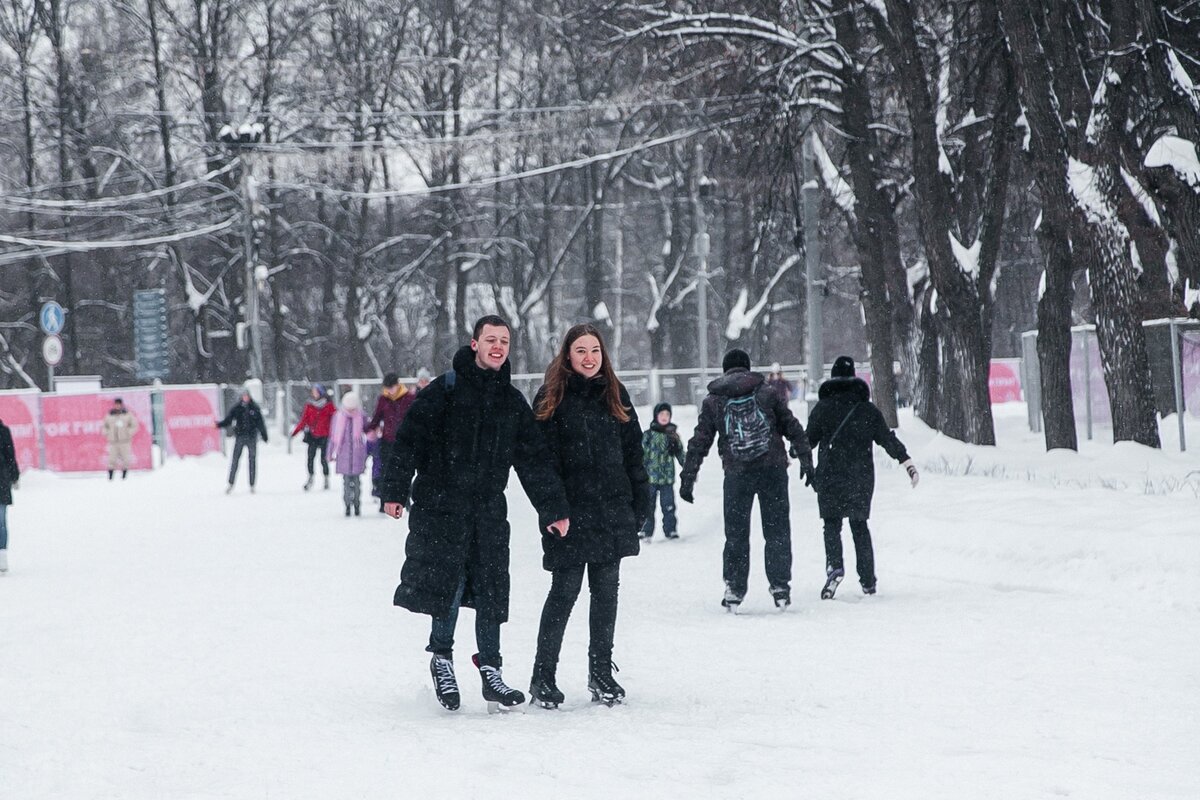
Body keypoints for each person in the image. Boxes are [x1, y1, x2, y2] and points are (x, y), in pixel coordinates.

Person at [380, 315, 570, 713]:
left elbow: (532, 461)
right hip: (441, 507)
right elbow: (408, 441)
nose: (498, 347)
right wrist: (394, 491)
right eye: (491, 340)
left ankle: (491, 670)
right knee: (445, 586)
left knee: (489, 590)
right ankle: (442, 660)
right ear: (474, 344)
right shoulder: (443, 392)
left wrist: (553, 508)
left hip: (487, 510)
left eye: (504, 341)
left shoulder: (511, 401)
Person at [529, 323, 650, 708]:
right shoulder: (550, 397)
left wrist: (639, 505)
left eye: (594, 350)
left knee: (606, 593)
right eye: (581, 350)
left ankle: (600, 674)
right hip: (568, 514)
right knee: (564, 593)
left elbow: (634, 454)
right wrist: (553, 509)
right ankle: (542, 677)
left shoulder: (615, 393)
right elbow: (540, 464)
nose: (589, 358)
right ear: (567, 355)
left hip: (611, 510)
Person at [680, 348, 815, 612]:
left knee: (736, 534)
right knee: (776, 530)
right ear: (748, 366)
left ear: (725, 370)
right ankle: (780, 587)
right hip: (773, 469)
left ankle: (734, 588)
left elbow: (700, 441)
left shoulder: (714, 401)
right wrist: (807, 458)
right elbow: (792, 426)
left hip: (737, 473)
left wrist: (688, 476)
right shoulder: (768, 392)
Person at [806, 356, 918, 599]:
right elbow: (886, 438)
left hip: (830, 475)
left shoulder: (823, 408)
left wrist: (793, 453)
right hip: (860, 477)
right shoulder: (866, 409)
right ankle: (867, 579)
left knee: (832, 525)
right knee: (859, 525)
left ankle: (834, 566)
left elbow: (808, 441)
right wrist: (905, 460)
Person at [366, 373, 417, 512]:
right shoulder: (383, 399)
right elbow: (377, 417)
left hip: (405, 441)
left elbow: (415, 417)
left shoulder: (409, 398)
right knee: (386, 472)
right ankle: (385, 501)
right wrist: (369, 428)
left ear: (397, 385)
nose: (389, 391)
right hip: (387, 441)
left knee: (404, 471)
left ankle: (405, 500)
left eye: (391, 387)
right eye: (387, 388)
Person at [640, 402, 684, 541]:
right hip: (649, 478)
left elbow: (680, 454)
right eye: (662, 414)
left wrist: (688, 468)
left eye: (667, 414)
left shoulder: (673, 436)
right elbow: (640, 454)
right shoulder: (648, 435)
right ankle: (646, 531)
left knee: (668, 505)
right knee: (648, 506)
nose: (664, 417)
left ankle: (670, 530)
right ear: (656, 416)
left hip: (666, 478)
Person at [216, 387, 269, 493]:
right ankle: (231, 483)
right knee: (235, 460)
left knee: (252, 460)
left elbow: (260, 423)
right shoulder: (237, 408)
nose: (245, 398)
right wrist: (219, 425)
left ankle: (252, 484)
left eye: (247, 396)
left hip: (251, 437)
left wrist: (264, 435)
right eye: (244, 396)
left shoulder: (254, 408)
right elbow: (229, 420)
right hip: (240, 437)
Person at [328, 390, 369, 517]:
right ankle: (347, 505)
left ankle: (356, 504)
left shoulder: (361, 416)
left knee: (357, 483)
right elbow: (333, 436)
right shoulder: (338, 417)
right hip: (343, 455)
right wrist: (330, 452)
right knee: (346, 483)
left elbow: (369, 432)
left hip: (357, 454)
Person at [290, 383, 334, 491]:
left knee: (324, 459)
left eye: (316, 391)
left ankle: (326, 478)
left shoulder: (329, 405)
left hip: (324, 435)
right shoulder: (309, 405)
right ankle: (310, 477)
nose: (314, 393)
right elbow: (304, 420)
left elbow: (335, 420)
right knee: (310, 458)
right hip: (312, 435)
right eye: (313, 391)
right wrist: (295, 432)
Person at [102, 397, 139, 480]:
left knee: (126, 458)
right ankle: (111, 477)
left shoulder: (127, 414)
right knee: (112, 459)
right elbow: (104, 426)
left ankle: (124, 476)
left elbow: (134, 425)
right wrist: (107, 433)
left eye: (119, 404)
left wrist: (128, 432)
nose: (117, 406)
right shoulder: (110, 415)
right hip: (113, 441)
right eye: (116, 404)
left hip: (124, 441)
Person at [0, 417, 19, 574]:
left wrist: (14, 476)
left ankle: (2, 556)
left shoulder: (3, 431)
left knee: (0, 520)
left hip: (1, 481)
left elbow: (10, 454)